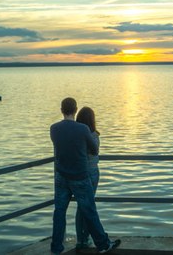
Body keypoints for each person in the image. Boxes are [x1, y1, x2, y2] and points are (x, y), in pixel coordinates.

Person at [49, 97, 120, 254]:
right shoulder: (83, 129)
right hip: (79, 176)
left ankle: (56, 248)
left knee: (59, 212)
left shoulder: (54, 128)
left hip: (61, 176)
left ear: (61, 110)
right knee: (89, 211)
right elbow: (94, 149)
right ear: (75, 110)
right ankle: (103, 244)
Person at [75, 106, 100, 251]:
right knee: (89, 206)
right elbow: (94, 152)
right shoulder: (93, 135)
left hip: (79, 172)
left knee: (81, 207)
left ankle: (81, 239)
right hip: (91, 172)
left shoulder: (76, 136)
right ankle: (88, 238)